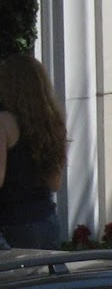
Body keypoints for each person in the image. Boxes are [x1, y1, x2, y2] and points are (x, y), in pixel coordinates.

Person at [0, 53, 68, 251]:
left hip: (13, 223)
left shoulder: (4, 122)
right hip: (46, 220)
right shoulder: (54, 123)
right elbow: (55, 183)